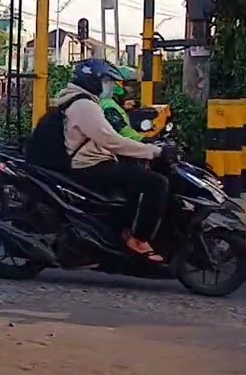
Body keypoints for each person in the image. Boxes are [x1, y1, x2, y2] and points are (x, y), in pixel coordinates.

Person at [54, 59, 171, 262]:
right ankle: (139, 239)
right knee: (156, 183)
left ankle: (124, 229)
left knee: (137, 177)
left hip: (94, 161)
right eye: (107, 81)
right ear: (93, 80)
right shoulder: (84, 105)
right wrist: (152, 151)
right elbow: (111, 140)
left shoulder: (83, 101)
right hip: (89, 166)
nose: (111, 86)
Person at [99, 65, 144, 141]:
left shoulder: (110, 101)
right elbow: (122, 129)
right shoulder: (108, 104)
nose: (132, 90)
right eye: (131, 85)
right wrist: (142, 140)